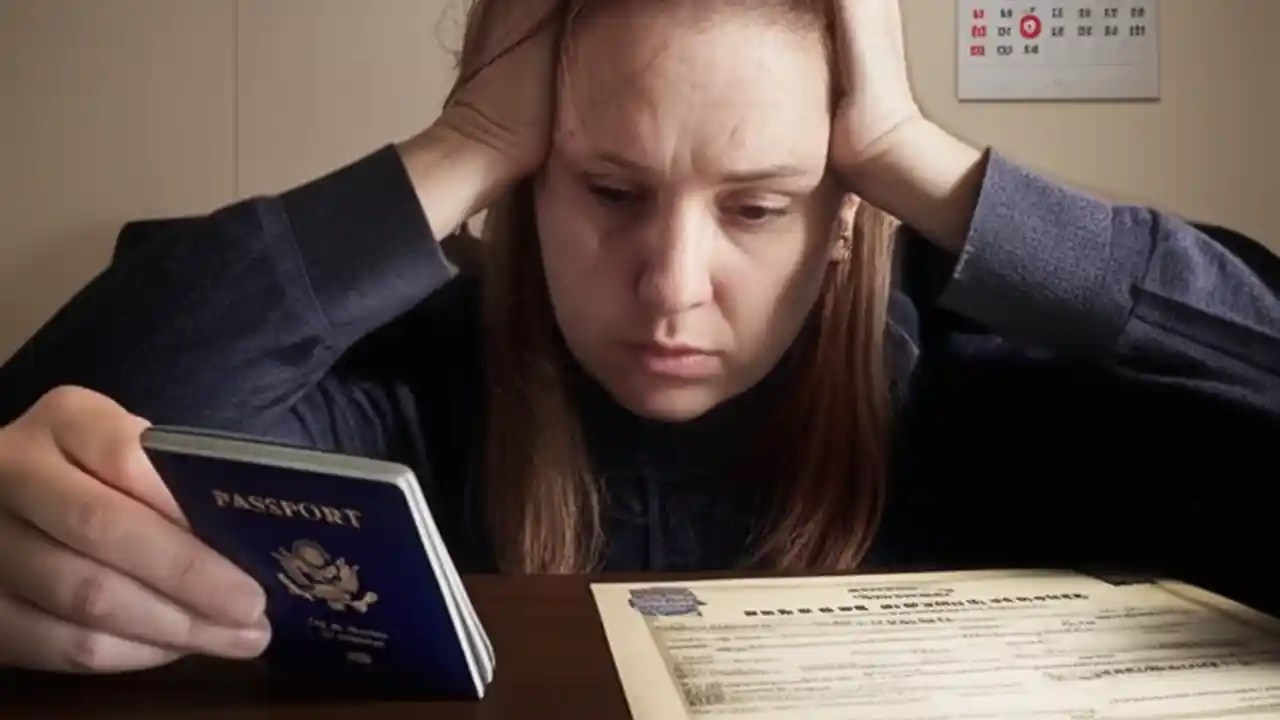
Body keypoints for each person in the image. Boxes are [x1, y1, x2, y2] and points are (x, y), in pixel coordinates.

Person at [0, 0, 1276, 676]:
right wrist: (462, 148)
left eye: (759, 208)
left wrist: (919, 161)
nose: (673, 288)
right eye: (608, 192)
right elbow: (75, 424)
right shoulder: (421, 379)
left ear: (846, 218)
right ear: (528, 190)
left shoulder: (966, 390)